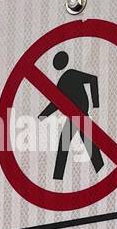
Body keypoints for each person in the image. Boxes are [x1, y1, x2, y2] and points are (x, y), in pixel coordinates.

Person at [38, 50, 104, 180]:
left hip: (79, 115)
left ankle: (59, 176)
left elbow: (92, 79)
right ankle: (98, 168)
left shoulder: (70, 75)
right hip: (74, 116)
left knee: (77, 142)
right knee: (78, 142)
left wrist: (96, 104)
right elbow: (56, 103)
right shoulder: (62, 81)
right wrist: (43, 116)